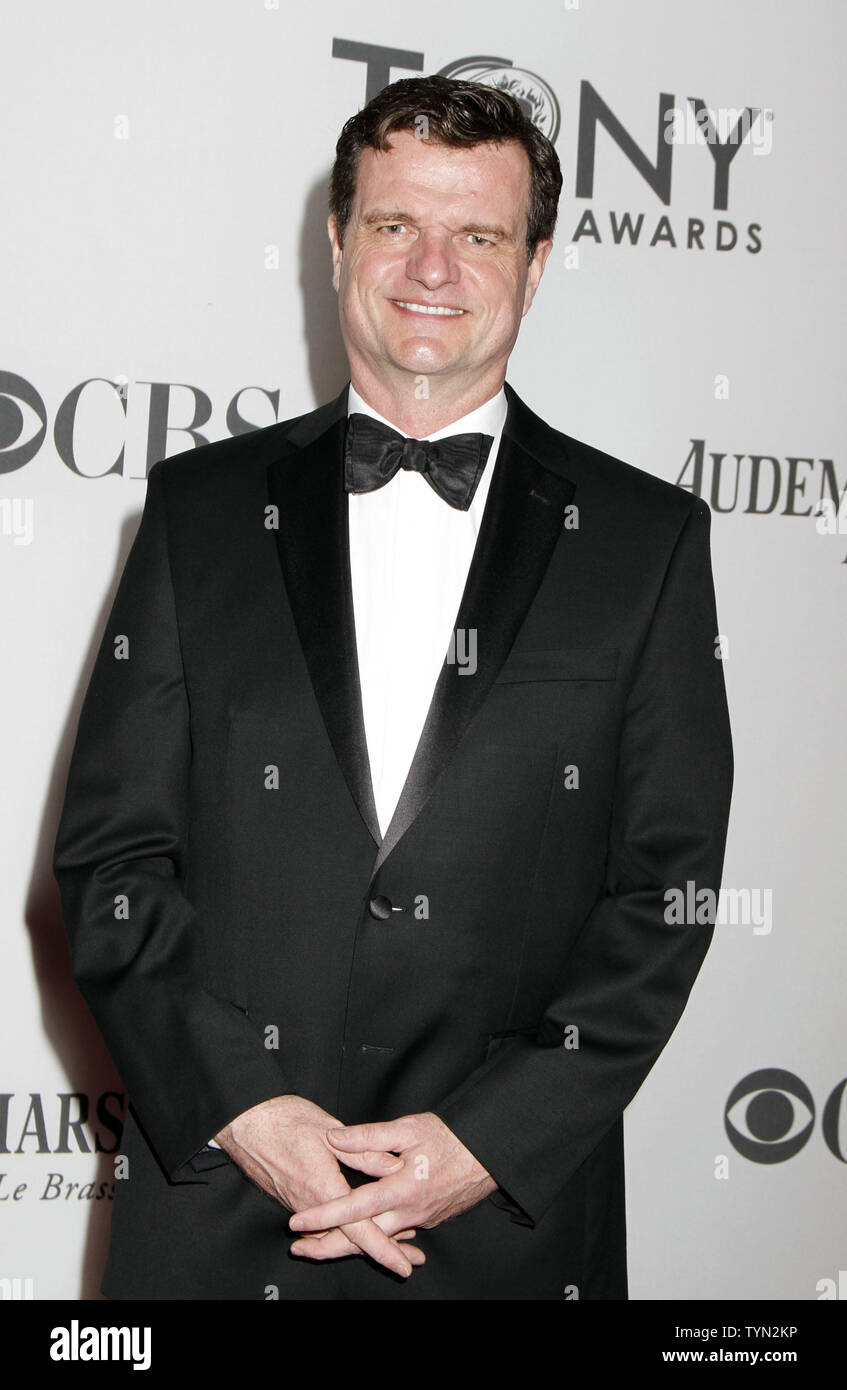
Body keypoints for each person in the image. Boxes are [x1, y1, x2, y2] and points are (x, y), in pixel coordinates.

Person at [53, 75, 733, 1301]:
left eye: (477, 234)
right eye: (393, 226)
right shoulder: (199, 515)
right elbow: (111, 861)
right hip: (219, 1213)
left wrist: (491, 1140)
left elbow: (668, 891)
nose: (432, 266)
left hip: (504, 1232)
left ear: (534, 266)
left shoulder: (648, 543)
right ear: (335, 245)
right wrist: (242, 1104)